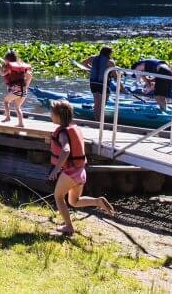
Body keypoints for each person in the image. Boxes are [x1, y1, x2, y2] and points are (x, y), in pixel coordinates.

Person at [49, 100, 114, 236]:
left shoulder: (62, 133)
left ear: (58, 116)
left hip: (70, 173)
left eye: (52, 113)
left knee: (58, 196)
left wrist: (56, 169)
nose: (50, 115)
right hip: (80, 172)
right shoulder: (73, 129)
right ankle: (98, 201)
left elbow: (66, 150)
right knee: (74, 201)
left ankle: (68, 227)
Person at [0, 50, 32, 127]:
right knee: (17, 107)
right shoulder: (21, 67)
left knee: (6, 101)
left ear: (8, 59)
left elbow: (2, 73)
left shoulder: (10, 67)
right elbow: (30, 76)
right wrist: (27, 86)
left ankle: (8, 117)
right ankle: (21, 123)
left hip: (16, 90)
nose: (5, 61)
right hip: (24, 90)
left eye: (5, 59)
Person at [78, 46, 116, 122]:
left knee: (96, 103)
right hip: (103, 83)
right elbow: (114, 75)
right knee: (103, 103)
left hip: (93, 82)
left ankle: (96, 121)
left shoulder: (93, 58)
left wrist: (91, 69)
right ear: (109, 53)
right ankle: (100, 121)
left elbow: (83, 63)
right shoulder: (110, 62)